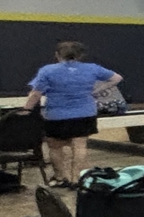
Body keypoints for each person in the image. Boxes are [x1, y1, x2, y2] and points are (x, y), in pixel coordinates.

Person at [23, 41, 122, 188]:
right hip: (85, 113)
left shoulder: (47, 70)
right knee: (80, 146)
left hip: (57, 115)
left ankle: (60, 177)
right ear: (81, 55)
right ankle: (77, 179)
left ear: (57, 55)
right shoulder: (92, 68)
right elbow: (116, 78)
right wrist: (96, 91)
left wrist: (25, 110)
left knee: (55, 147)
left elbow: (36, 94)